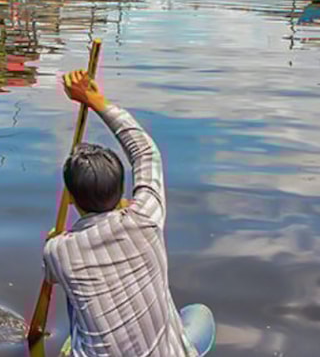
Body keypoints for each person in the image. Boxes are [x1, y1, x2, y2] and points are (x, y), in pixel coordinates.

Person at [43, 71, 215, 357]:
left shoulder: (57, 251)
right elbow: (146, 153)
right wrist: (96, 101)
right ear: (121, 193)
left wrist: (57, 239)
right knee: (198, 315)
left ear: (71, 198)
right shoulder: (145, 217)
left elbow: (50, 277)